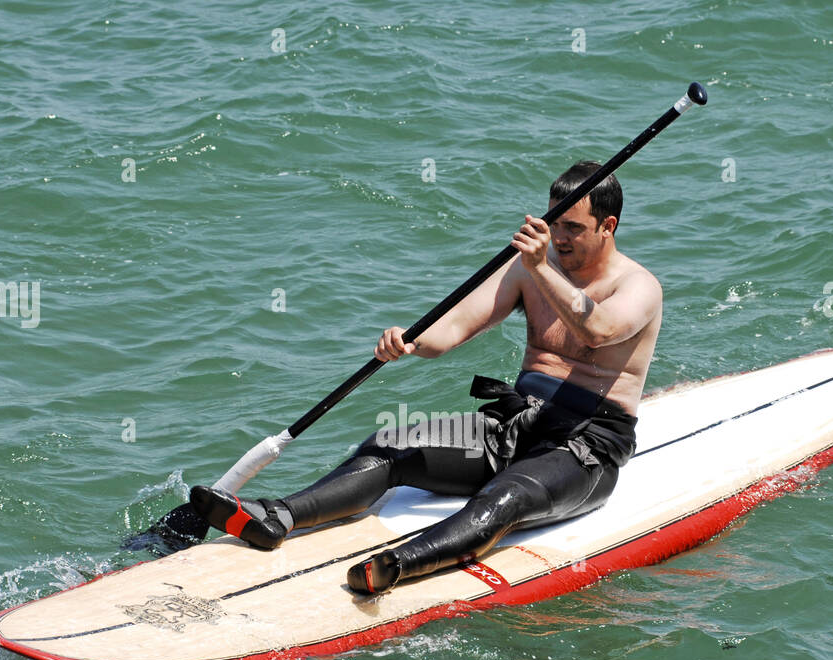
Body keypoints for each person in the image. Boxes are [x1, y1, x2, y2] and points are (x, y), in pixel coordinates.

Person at [137, 161, 663, 594]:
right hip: (517, 424)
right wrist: (410, 341)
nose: (560, 239)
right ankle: (276, 517)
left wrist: (542, 266)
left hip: (585, 447)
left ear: (607, 227)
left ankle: (398, 565)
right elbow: (453, 329)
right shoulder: (530, 268)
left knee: (504, 499)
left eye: (573, 228)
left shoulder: (637, 286)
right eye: (555, 225)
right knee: (391, 445)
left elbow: (596, 330)